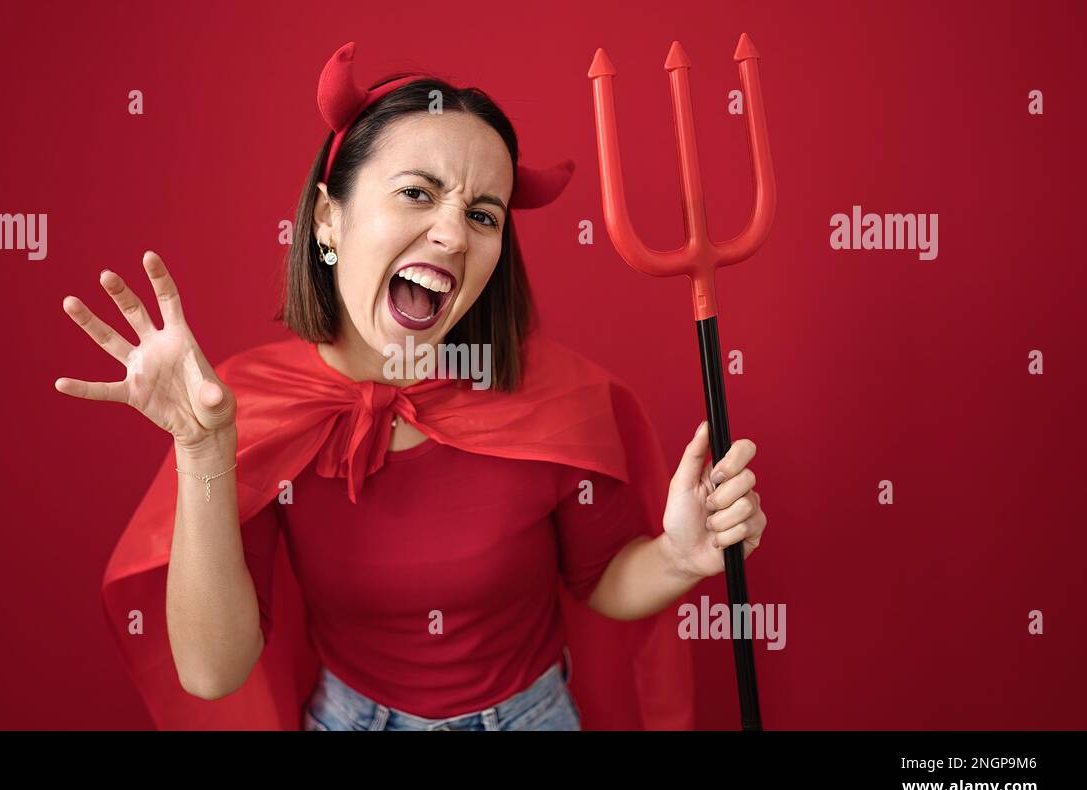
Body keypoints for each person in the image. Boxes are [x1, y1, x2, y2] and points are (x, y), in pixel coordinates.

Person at [54, 43, 767, 731]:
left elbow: (602, 581)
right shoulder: (250, 405)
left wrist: (680, 555)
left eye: (484, 213)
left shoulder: (557, 396)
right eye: (417, 192)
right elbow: (214, 672)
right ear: (329, 218)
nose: (454, 235)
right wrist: (204, 452)